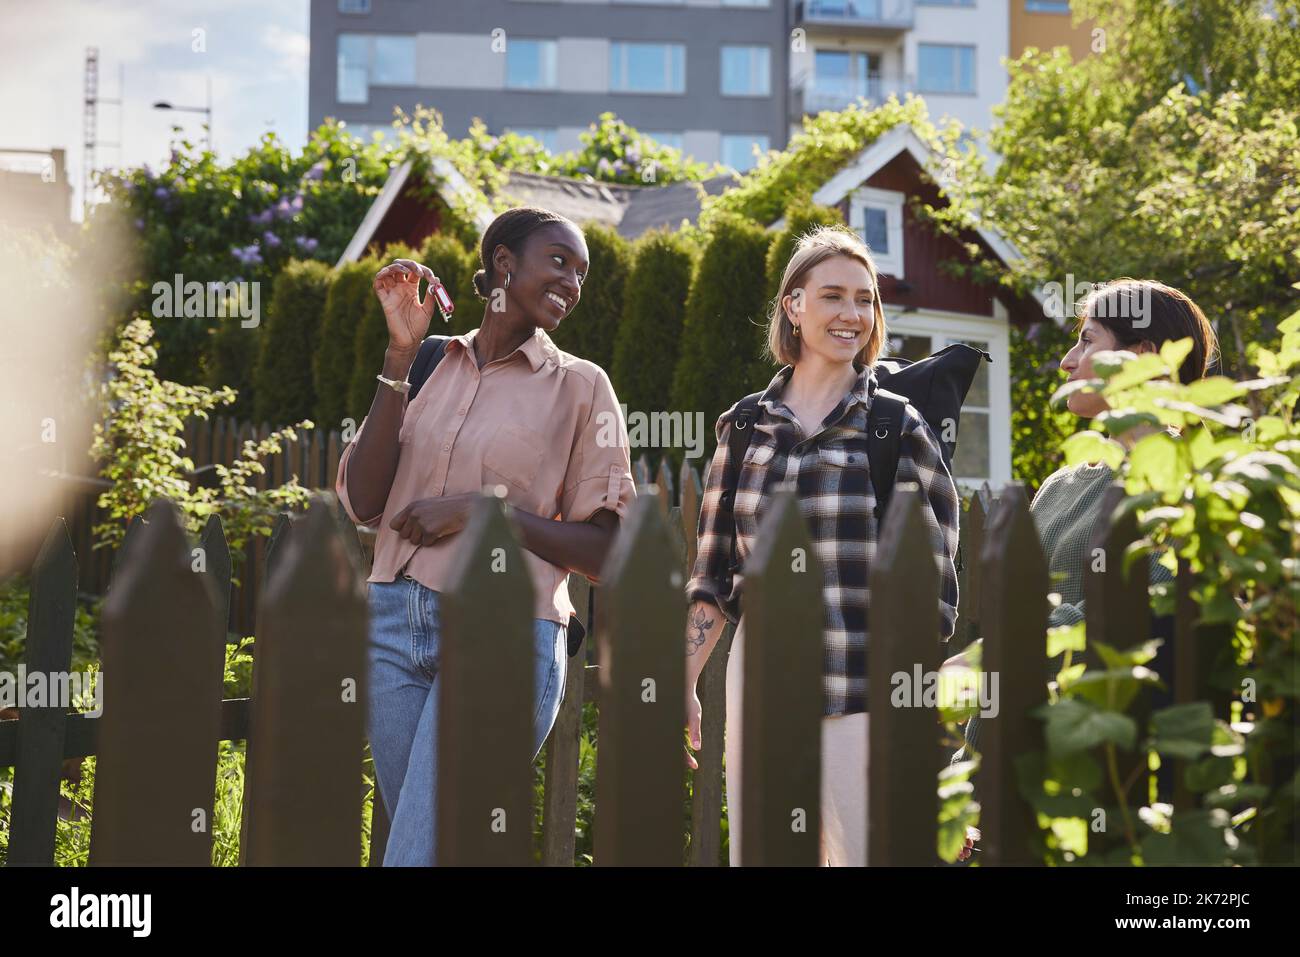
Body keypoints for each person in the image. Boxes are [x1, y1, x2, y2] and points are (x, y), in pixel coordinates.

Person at [335, 206, 636, 866]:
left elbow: (608, 552)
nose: (574, 283)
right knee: (439, 846)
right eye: (560, 261)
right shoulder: (428, 364)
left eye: (582, 273)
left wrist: (486, 512)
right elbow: (361, 499)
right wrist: (398, 354)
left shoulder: (584, 389)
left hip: (504, 630)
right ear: (504, 261)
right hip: (390, 626)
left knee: (416, 853)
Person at [682, 225, 961, 866]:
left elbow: (935, 582)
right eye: (833, 296)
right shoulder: (744, 426)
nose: (852, 315)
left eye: (865, 300)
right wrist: (685, 678)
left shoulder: (897, 426)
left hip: (862, 684)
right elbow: (715, 574)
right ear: (794, 305)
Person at [945, 278, 1220, 858]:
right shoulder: (1064, 482)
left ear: (1139, 358)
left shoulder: (1193, 482)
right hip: (1022, 767)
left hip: (1126, 778)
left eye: (1087, 340)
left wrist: (1005, 648)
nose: (1067, 360)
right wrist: (970, 782)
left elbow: (1151, 605)